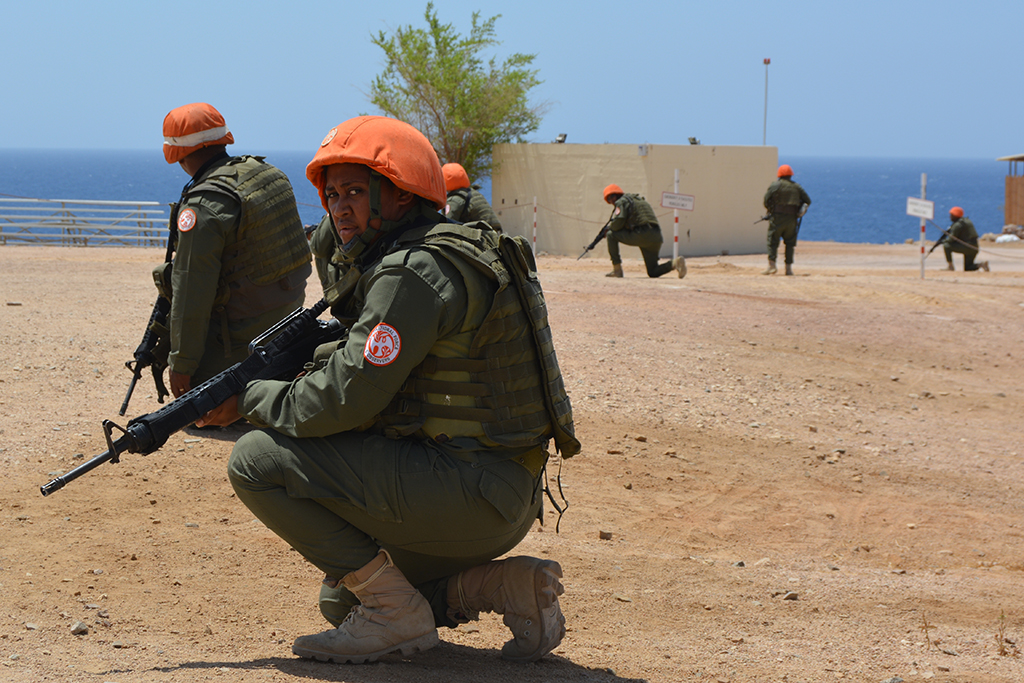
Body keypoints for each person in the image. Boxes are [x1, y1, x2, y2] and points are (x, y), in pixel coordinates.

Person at [197, 115, 581, 664]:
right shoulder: (454, 248)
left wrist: (248, 401)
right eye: (332, 195)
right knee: (342, 600)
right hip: (497, 489)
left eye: (356, 191)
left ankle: (398, 615)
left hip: (468, 491)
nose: (339, 208)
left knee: (256, 459)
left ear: (401, 195)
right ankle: (503, 588)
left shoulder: (413, 272)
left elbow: (345, 398)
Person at [159, 102, 312, 397]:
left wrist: (181, 364)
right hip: (288, 326)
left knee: (196, 406)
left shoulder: (203, 207)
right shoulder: (269, 174)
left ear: (175, 153)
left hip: (245, 343)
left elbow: (192, 293)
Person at [601, 184, 686, 278]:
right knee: (653, 271)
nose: (612, 201)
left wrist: (610, 228)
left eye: (612, 197)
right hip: (656, 236)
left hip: (643, 234)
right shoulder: (637, 200)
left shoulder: (621, 202)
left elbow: (618, 222)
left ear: (617, 194)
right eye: (609, 199)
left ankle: (617, 270)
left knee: (610, 234)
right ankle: (675, 263)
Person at [762, 164, 811, 276]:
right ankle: (788, 269)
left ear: (779, 175)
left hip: (777, 218)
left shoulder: (775, 185)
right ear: (790, 175)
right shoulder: (797, 187)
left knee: (772, 241)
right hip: (792, 219)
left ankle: (772, 266)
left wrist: (771, 210)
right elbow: (807, 201)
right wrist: (799, 212)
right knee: (790, 243)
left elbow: (766, 200)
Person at [442, 162, 502, 232]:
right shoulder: (473, 193)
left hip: (481, 237)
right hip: (493, 235)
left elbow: (448, 226)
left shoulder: (456, 199)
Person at [939, 206, 989, 272]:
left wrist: (943, 241)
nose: (950, 217)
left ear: (955, 216)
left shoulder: (958, 225)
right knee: (968, 268)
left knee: (946, 245)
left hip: (968, 247)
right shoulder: (967, 221)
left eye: (951, 215)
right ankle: (981, 265)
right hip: (974, 247)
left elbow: (951, 239)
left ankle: (950, 266)